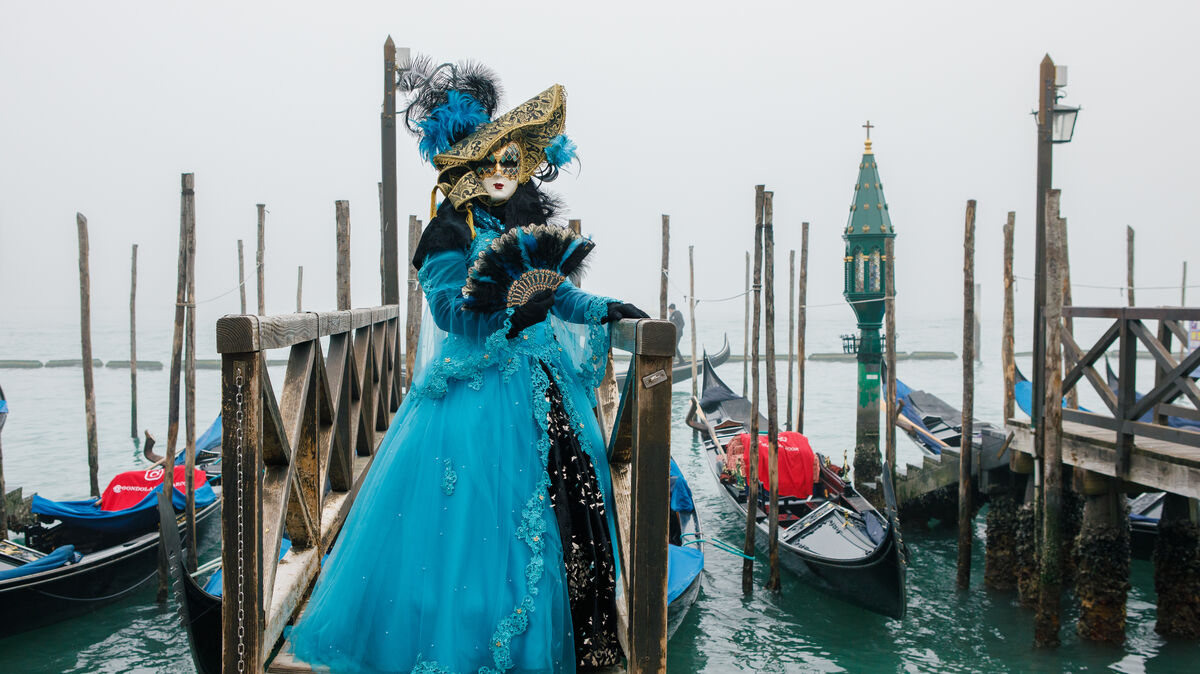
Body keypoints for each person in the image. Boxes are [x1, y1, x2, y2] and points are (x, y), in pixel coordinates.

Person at [289, 60, 647, 673]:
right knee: (470, 538)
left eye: (511, 162)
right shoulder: (446, 233)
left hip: (542, 386)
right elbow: (457, 316)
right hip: (475, 398)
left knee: (566, 509)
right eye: (491, 162)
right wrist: (510, 308)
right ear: (464, 165)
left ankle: (571, 638)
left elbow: (557, 292)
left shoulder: (520, 227)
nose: (503, 172)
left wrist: (609, 308)